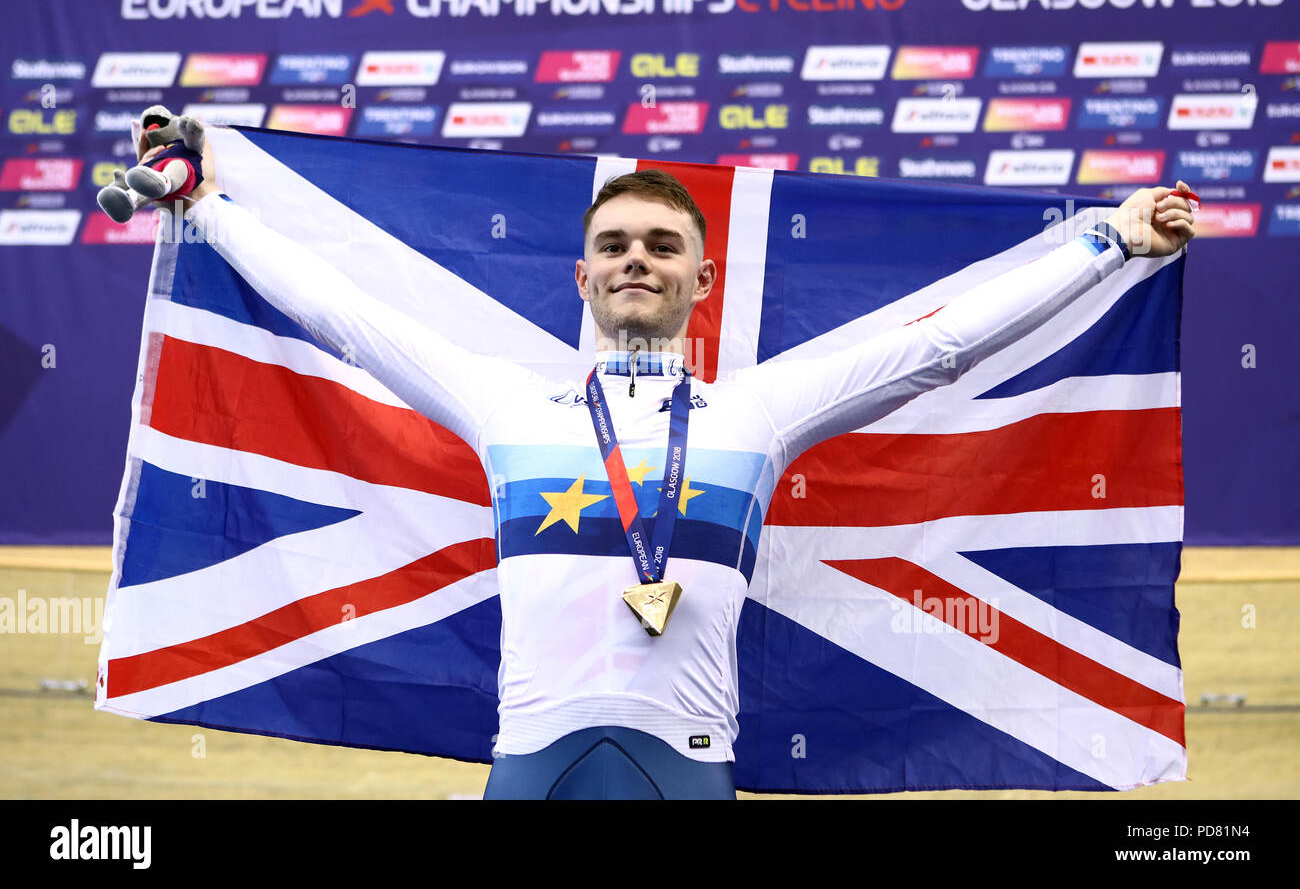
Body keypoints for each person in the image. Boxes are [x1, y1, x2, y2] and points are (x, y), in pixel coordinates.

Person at [145, 132, 1195, 799]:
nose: (634, 259)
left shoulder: (757, 412)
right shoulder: (503, 402)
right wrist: (204, 205)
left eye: (658, 243)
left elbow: (938, 345)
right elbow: (342, 315)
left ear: (703, 274)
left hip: (687, 767)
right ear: (582, 273)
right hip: (531, 763)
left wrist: (1108, 240)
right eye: (614, 244)